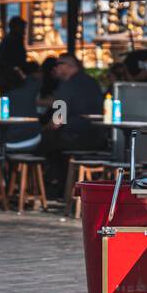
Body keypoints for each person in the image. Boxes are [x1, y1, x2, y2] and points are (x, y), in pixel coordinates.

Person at [40, 53, 107, 197]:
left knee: (41, 143)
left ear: (68, 66)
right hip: (98, 138)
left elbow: (57, 121)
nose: (55, 69)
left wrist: (42, 129)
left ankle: (51, 188)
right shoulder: (92, 82)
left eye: (58, 65)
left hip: (74, 138)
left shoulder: (67, 85)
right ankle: (64, 186)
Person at [3, 60, 43, 153]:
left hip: (9, 142)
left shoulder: (2, 97)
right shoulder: (30, 90)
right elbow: (36, 79)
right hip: (32, 139)